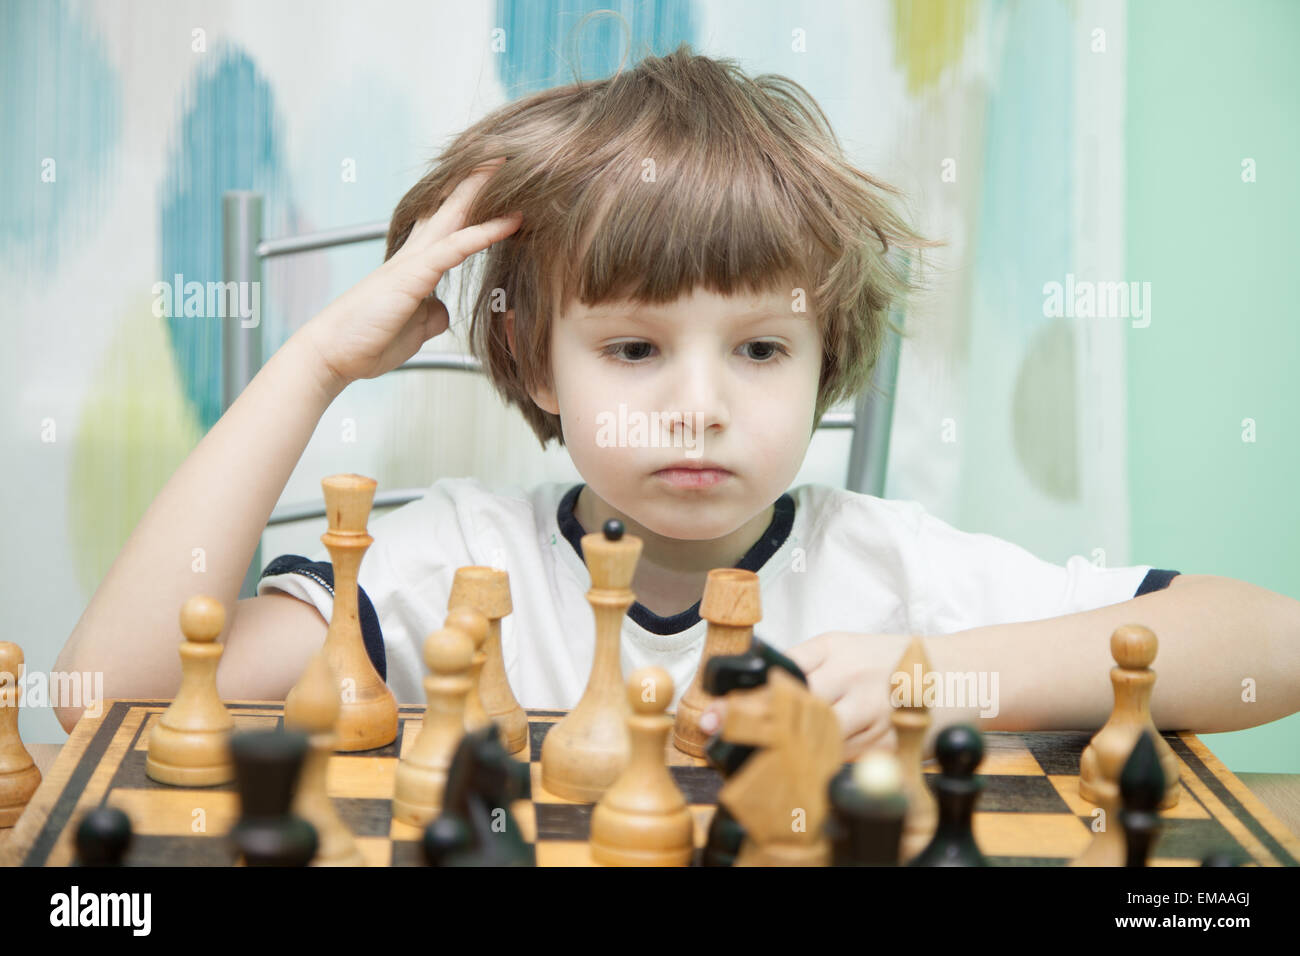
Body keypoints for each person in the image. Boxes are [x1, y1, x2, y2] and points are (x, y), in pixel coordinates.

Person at [55, 46, 1300, 756]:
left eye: (759, 350)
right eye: (636, 349)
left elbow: (1269, 646)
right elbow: (103, 701)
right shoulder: (448, 562)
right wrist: (315, 359)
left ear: (828, 365)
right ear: (540, 365)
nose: (696, 407)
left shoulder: (893, 572)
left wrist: (936, 676)